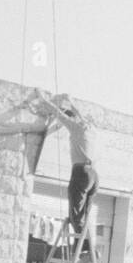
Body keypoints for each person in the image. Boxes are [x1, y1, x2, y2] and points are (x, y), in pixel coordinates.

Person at [34, 91, 97, 238]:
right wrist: (71, 102)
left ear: (72, 120)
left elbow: (58, 113)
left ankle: (84, 247)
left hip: (81, 172)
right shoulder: (90, 128)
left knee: (75, 213)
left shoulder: (75, 127)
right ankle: (89, 249)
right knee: (85, 214)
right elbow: (79, 114)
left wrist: (42, 98)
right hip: (94, 175)